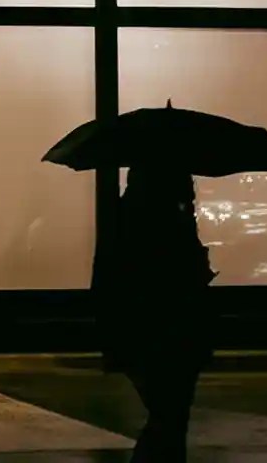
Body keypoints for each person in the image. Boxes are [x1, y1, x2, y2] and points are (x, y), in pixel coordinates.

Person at [92, 167, 216, 463]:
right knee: (172, 416)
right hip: (171, 330)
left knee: (166, 416)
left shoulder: (126, 216)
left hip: (148, 330)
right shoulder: (166, 220)